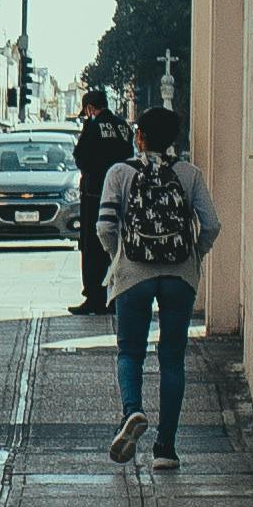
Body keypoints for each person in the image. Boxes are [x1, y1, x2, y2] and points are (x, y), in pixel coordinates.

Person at [103, 107, 220, 463]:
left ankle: (132, 412)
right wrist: (193, 257)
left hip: (133, 274)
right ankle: (166, 448)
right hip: (178, 276)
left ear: (139, 137)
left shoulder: (120, 173)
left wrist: (118, 257)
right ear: (174, 140)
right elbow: (211, 224)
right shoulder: (189, 174)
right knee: (172, 359)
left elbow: (104, 226)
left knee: (130, 352)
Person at [72, 81, 122, 317]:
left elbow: (80, 157)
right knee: (116, 246)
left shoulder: (93, 127)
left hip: (94, 196)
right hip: (121, 194)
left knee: (92, 247)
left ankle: (94, 297)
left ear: (91, 108)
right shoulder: (123, 127)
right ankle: (115, 297)